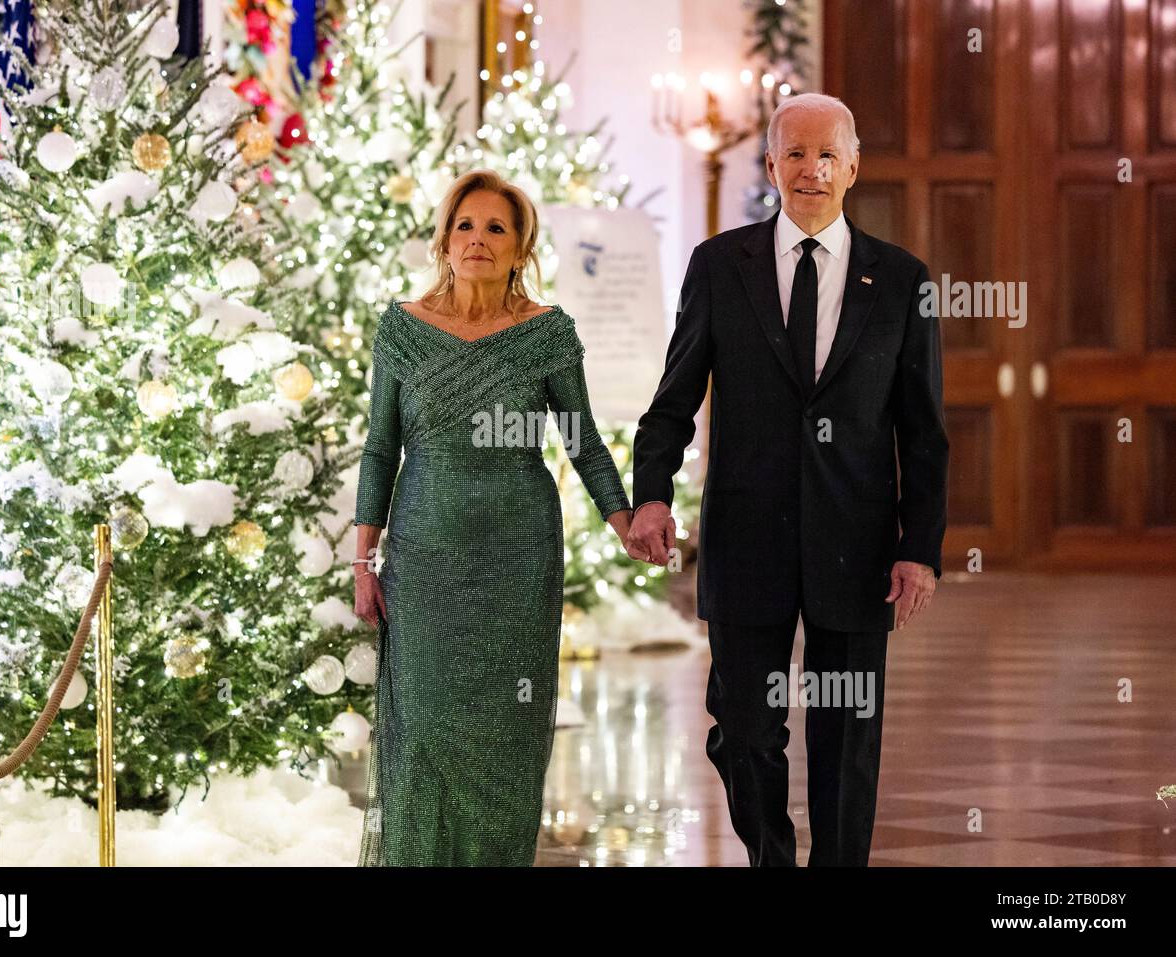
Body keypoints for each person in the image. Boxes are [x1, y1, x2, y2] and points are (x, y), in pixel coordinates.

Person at [624, 93, 948, 866]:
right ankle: (771, 856)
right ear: (771, 164)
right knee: (742, 730)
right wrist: (652, 493)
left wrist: (920, 546)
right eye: (796, 153)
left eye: (827, 154)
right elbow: (672, 400)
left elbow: (924, 433)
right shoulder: (718, 266)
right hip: (745, 538)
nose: (812, 169)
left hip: (858, 546)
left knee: (847, 737)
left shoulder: (901, 280)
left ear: (853, 168)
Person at [351, 168, 634, 866]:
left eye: (496, 228)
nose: (478, 239)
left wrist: (624, 519)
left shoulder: (546, 333)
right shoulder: (402, 329)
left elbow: (582, 441)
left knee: (506, 733)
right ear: (444, 241)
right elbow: (381, 447)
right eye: (465, 225)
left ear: (520, 248)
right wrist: (363, 561)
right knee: (423, 730)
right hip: (424, 554)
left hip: (519, 557)